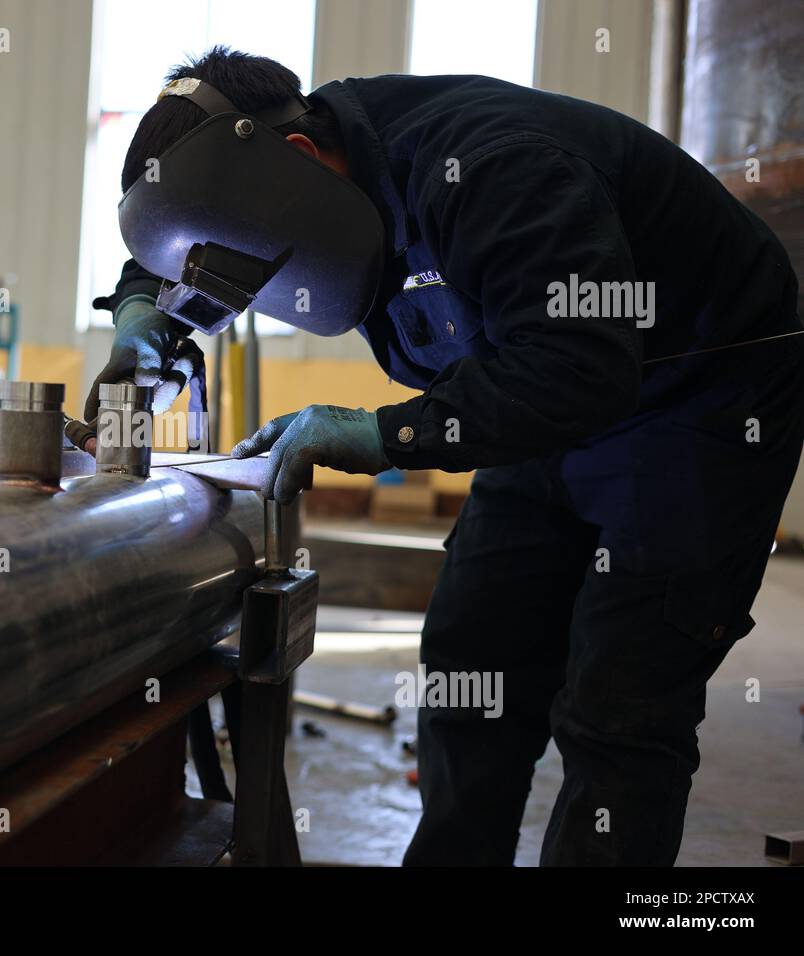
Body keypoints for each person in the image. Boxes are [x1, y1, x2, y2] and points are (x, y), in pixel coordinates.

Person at [82, 46, 804, 865]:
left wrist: (385, 436)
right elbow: (203, 236)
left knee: (620, 708)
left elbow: (580, 368)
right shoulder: (302, 172)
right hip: (534, 387)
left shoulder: (494, 164)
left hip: (696, 404)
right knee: (471, 671)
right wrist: (148, 315)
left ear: (298, 161)